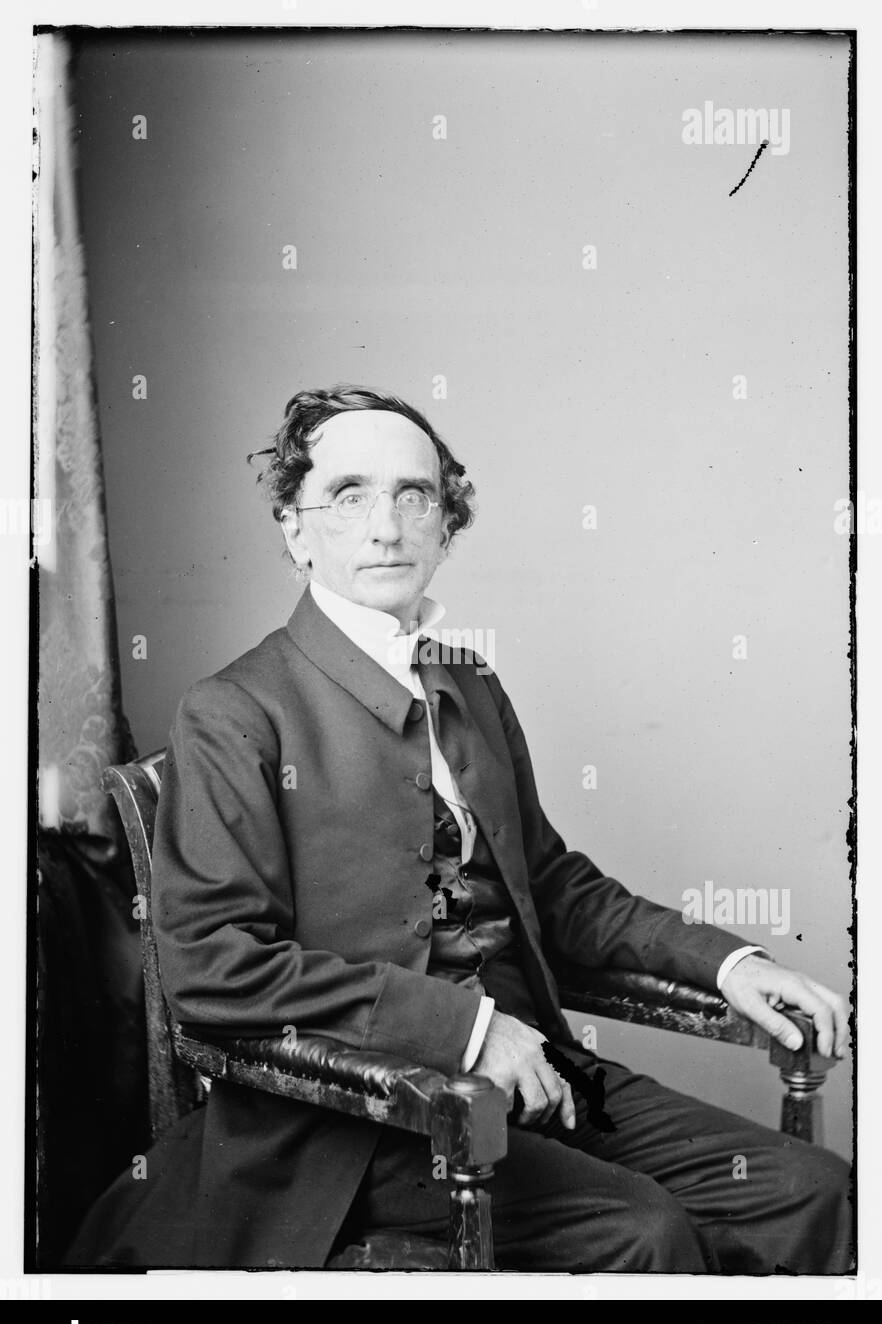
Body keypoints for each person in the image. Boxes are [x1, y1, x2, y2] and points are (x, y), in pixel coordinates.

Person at [68, 385, 852, 1274]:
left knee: (808, 1189)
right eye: (349, 495)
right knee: (644, 1231)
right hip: (363, 1117)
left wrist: (731, 962)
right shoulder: (235, 711)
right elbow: (212, 964)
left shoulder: (466, 682)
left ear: (447, 523)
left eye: (416, 495)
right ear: (295, 528)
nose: (387, 527)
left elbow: (553, 887)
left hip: (538, 1074)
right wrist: (468, 1031)